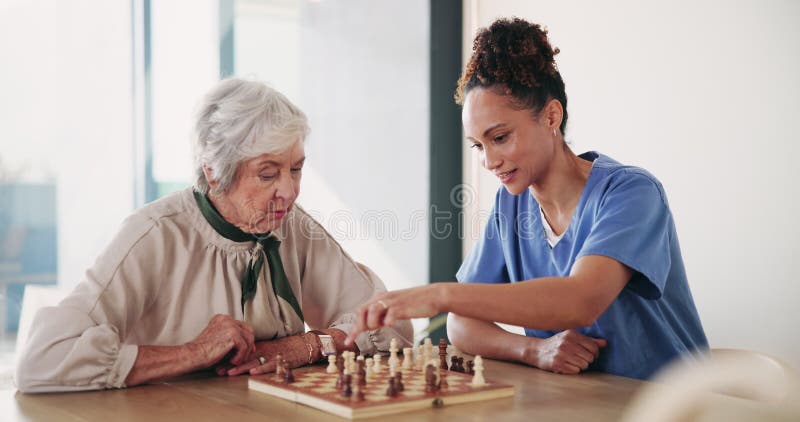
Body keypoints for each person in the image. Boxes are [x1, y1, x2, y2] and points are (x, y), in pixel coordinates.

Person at [346, 18, 707, 380]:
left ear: (551, 116)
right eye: (479, 146)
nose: (489, 162)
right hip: (583, 404)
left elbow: (579, 300)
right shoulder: (512, 205)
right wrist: (534, 350)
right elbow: (462, 324)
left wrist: (440, 295)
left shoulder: (632, 193)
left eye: (500, 137)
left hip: (676, 403)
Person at [15, 78, 412, 393]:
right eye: (268, 173)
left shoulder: (292, 226)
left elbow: (391, 324)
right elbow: (42, 360)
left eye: (296, 169)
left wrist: (306, 346)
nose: (289, 192)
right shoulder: (154, 235)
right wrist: (193, 353)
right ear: (214, 172)